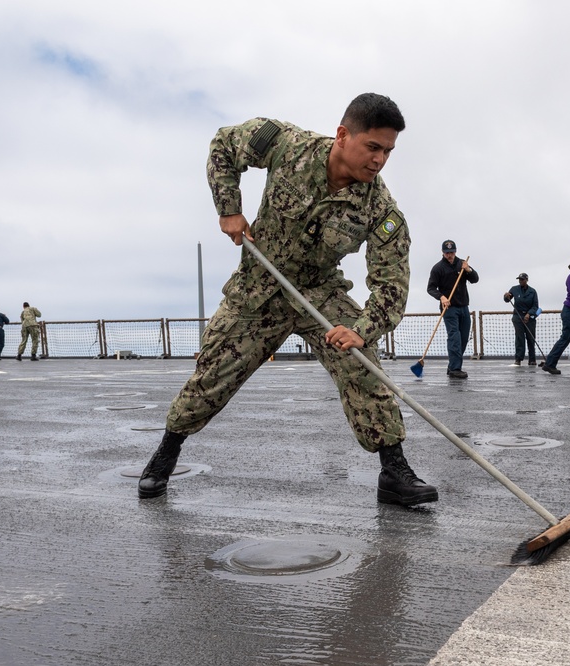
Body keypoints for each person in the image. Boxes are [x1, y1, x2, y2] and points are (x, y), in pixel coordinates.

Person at [137, 93, 438, 508]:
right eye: (373, 147)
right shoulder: (287, 144)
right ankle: (165, 455)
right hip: (258, 287)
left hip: (319, 292)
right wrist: (229, 209)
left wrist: (360, 331)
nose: (380, 160)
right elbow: (224, 144)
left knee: (363, 364)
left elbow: (391, 286)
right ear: (342, 135)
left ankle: (394, 472)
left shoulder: (380, 209)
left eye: (388, 151)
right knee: (212, 377)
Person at [427, 240, 479, 379]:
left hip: (464, 306)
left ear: (455, 251)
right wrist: (441, 297)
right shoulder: (437, 268)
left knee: (463, 338)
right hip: (449, 308)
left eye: (452, 252)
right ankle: (456, 369)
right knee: (454, 337)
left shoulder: (462, 264)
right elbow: (431, 288)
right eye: (447, 253)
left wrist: (468, 270)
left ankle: (452, 365)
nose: (450, 255)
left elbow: (475, 279)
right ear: (443, 253)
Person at [503, 273, 539, 365]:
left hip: (529, 318)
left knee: (531, 338)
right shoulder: (514, 289)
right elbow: (508, 299)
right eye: (519, 279)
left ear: (526, 280)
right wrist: (506, 296)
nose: (520, 281)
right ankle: (518, 358)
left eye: (522, 279)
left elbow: (535, 307)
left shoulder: (533, 291)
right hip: (517, 317)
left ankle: (532, 359)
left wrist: (529, 314)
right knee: (519, 338)